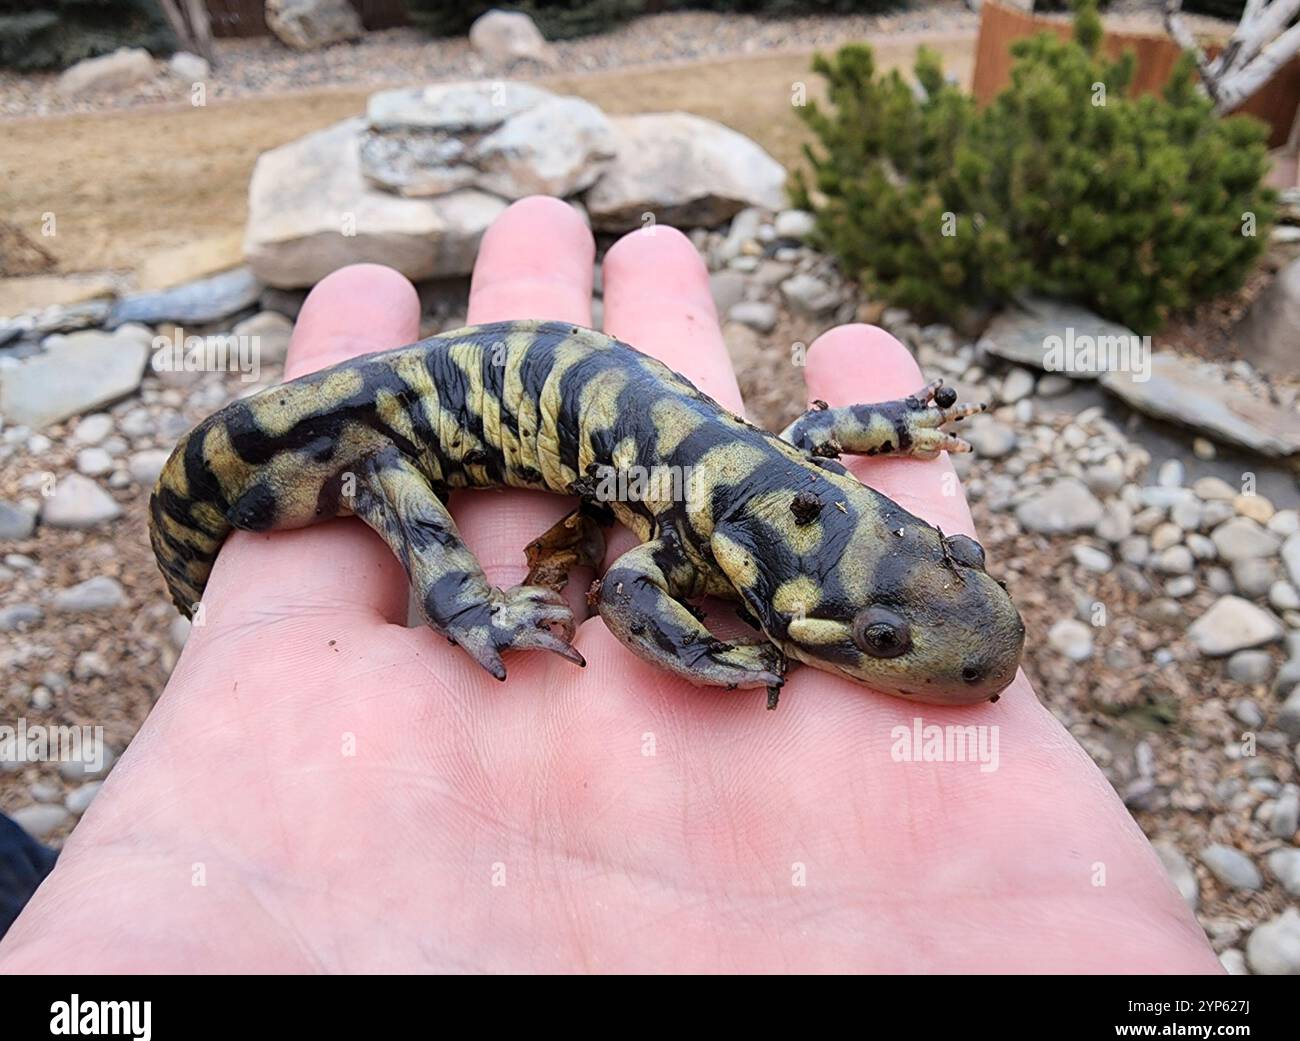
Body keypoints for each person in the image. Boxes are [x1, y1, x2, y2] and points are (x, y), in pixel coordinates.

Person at [0, 197, 1220, 973]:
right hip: (380, 429)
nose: (953, 641)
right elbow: (643, 592)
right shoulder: (725, 518)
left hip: (477, 391)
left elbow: (759, 474)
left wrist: (885, 428)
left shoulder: (759, 494)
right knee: (401, 496)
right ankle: (462, 607)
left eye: (929, 588)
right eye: (891, 631)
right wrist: (712, 649)